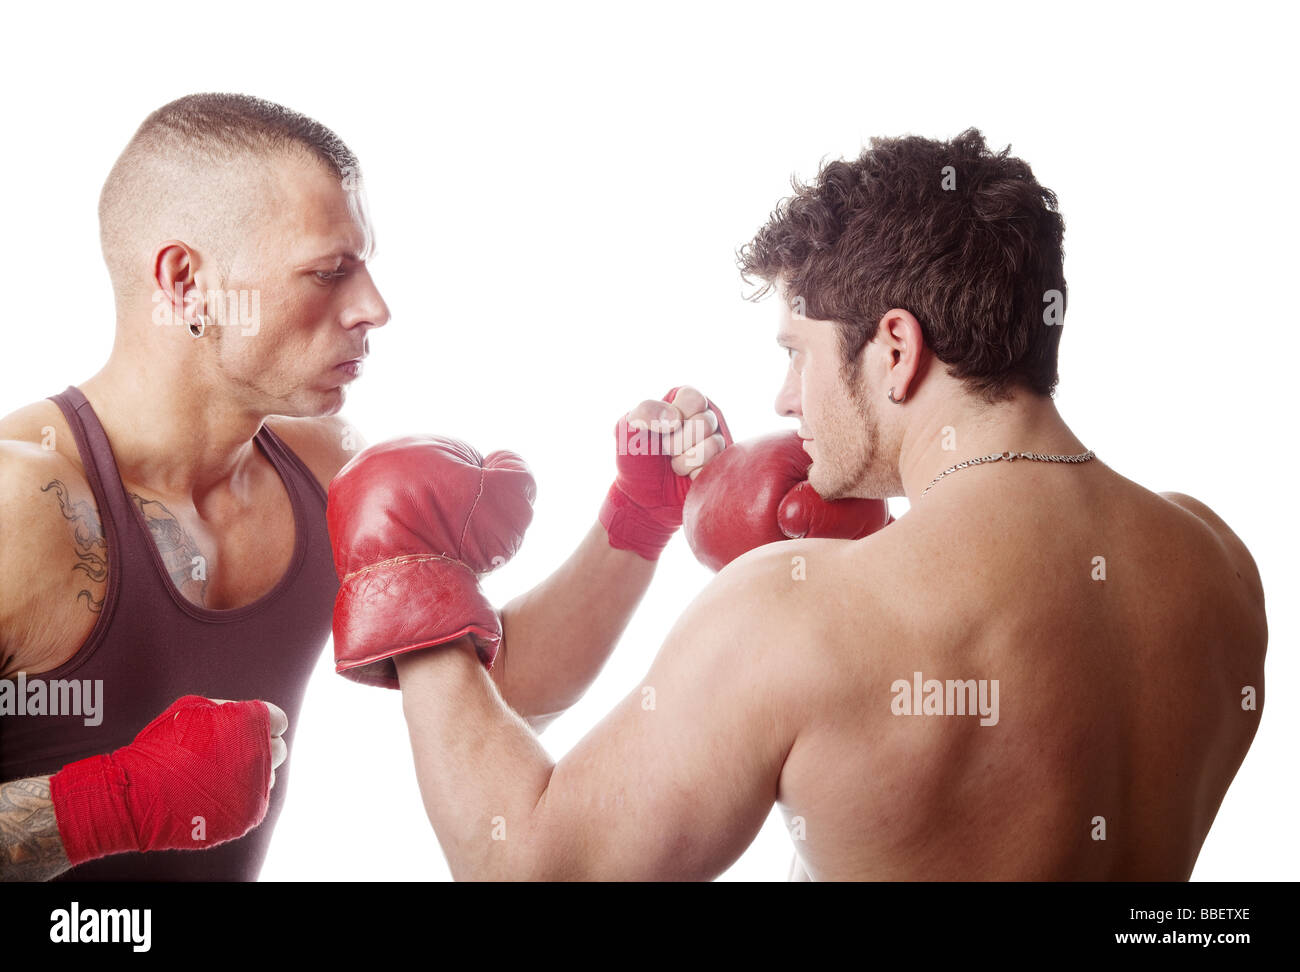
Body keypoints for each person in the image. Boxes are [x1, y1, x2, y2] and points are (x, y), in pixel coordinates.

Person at [336, 128, 1267, 880]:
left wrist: (413, 585)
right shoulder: (1216, 560)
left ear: (894, 349)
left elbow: (528, 868)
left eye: (796, 351)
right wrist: (643, 521)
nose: (784, 398)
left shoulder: (804, 610)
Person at [0, 92, 732, 880]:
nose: (374, 308)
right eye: (326, 272)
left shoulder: (324, 472)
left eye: (365, 264)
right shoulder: (20, 508)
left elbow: (492, 695)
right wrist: (107, 804)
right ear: (186, 282)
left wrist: (637, 517)